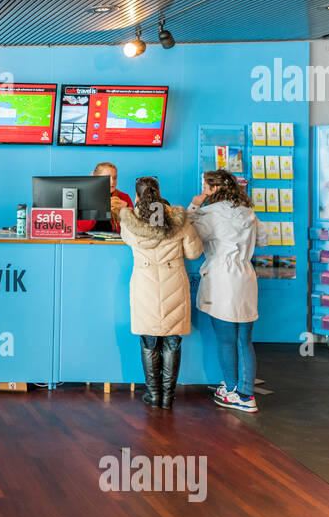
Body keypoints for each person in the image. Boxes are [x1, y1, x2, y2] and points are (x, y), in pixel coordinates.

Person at [118, 176, 202, 409]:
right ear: (159, 192)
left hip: (145, 287)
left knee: (149, 339)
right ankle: (168, 397)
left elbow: (127, 238)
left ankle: (153, 394)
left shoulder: (130, 223)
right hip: (173, 284)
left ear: (136, 197)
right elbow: (194, 253)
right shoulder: (179, 221)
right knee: (173, 340)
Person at [189, 169, 266, 414]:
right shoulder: (248, 212)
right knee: (244, 339)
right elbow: (264, 240)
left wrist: (193, 206)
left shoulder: (209, 214)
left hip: (222, 278)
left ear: (213, 189)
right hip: (245, 276)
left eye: (205, 187)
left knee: (225, 339)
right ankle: (244, 390)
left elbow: (190, 237)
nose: (203, 190)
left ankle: (236, 392)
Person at [76, 162, 134, 233]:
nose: (112, 182)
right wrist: (101, 206)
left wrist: (127, 208)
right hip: (87, 242)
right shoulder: (84, 197)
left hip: (114, 242)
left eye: (115, 178)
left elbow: (134, 229)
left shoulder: (123, 197)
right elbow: (83, 228)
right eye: (107, 177)